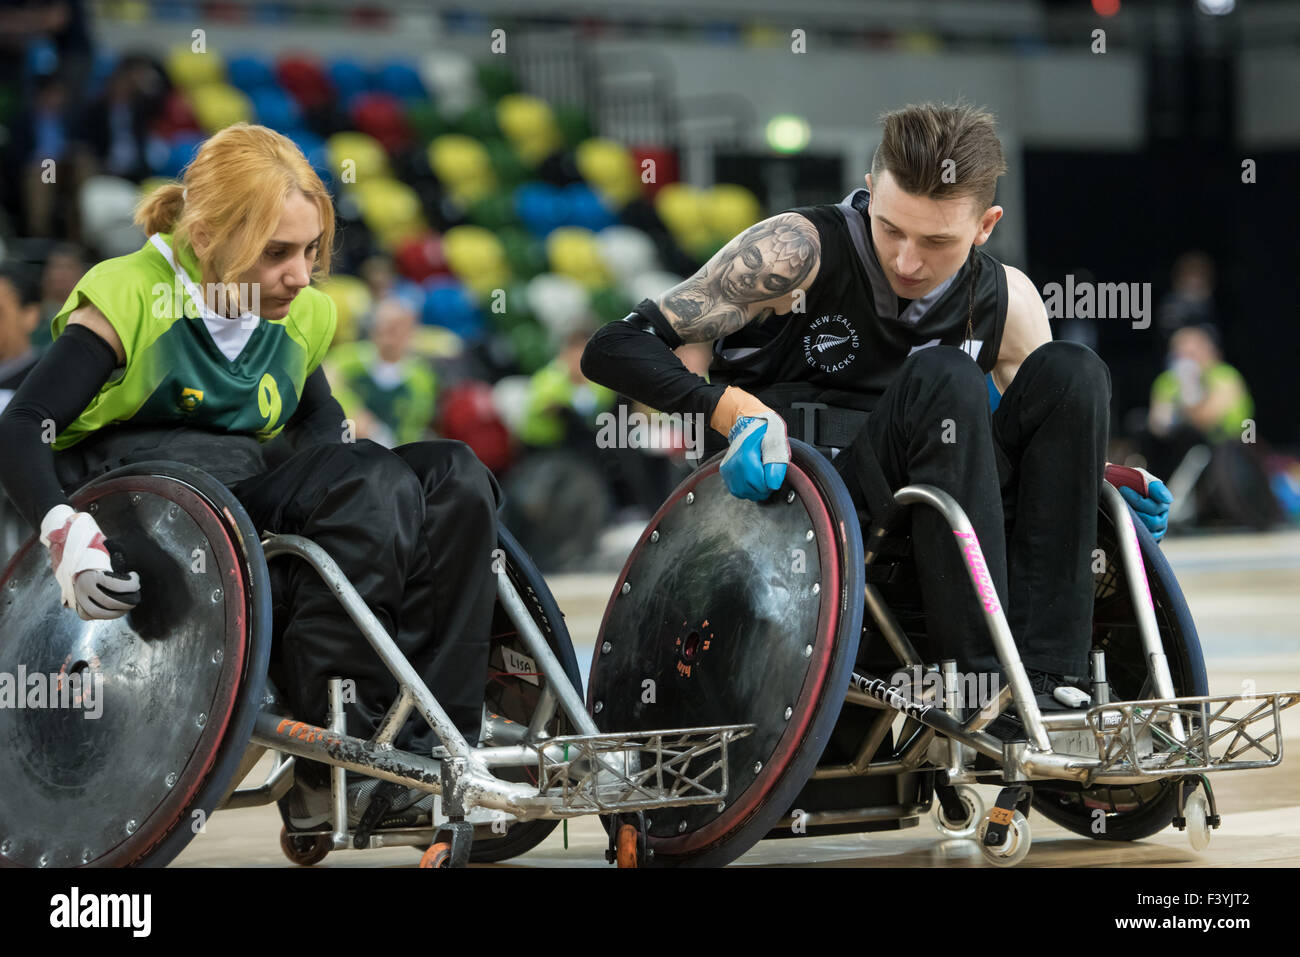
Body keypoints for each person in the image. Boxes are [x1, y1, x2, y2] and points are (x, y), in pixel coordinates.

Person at [581, 101, 1174, 719]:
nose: (906, 260)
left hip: (940, 506)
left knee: (1073, 371)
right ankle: (977, 681)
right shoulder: (796, 249)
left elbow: (1041, 436)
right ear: (870, 191)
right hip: (808, 500)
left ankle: (1050, 680)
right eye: (891, 228)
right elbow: (614, 347)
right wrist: (731, 410)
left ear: (985, 225)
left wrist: (1089, 483)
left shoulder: (1008, 296)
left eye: (936, 240)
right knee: (945, 374)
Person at [0, 123, 501, 831]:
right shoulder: (131, 292)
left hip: (247, 488)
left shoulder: (300, 314)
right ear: (205, 237)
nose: (301, 274)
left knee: (453, 472)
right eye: (277, 254)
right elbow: (21, 426)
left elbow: (326, 444)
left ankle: (436, 742)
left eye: (310, 251)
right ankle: (335, 756)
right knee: (370, 483)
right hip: (149, 495)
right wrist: (63, 529)